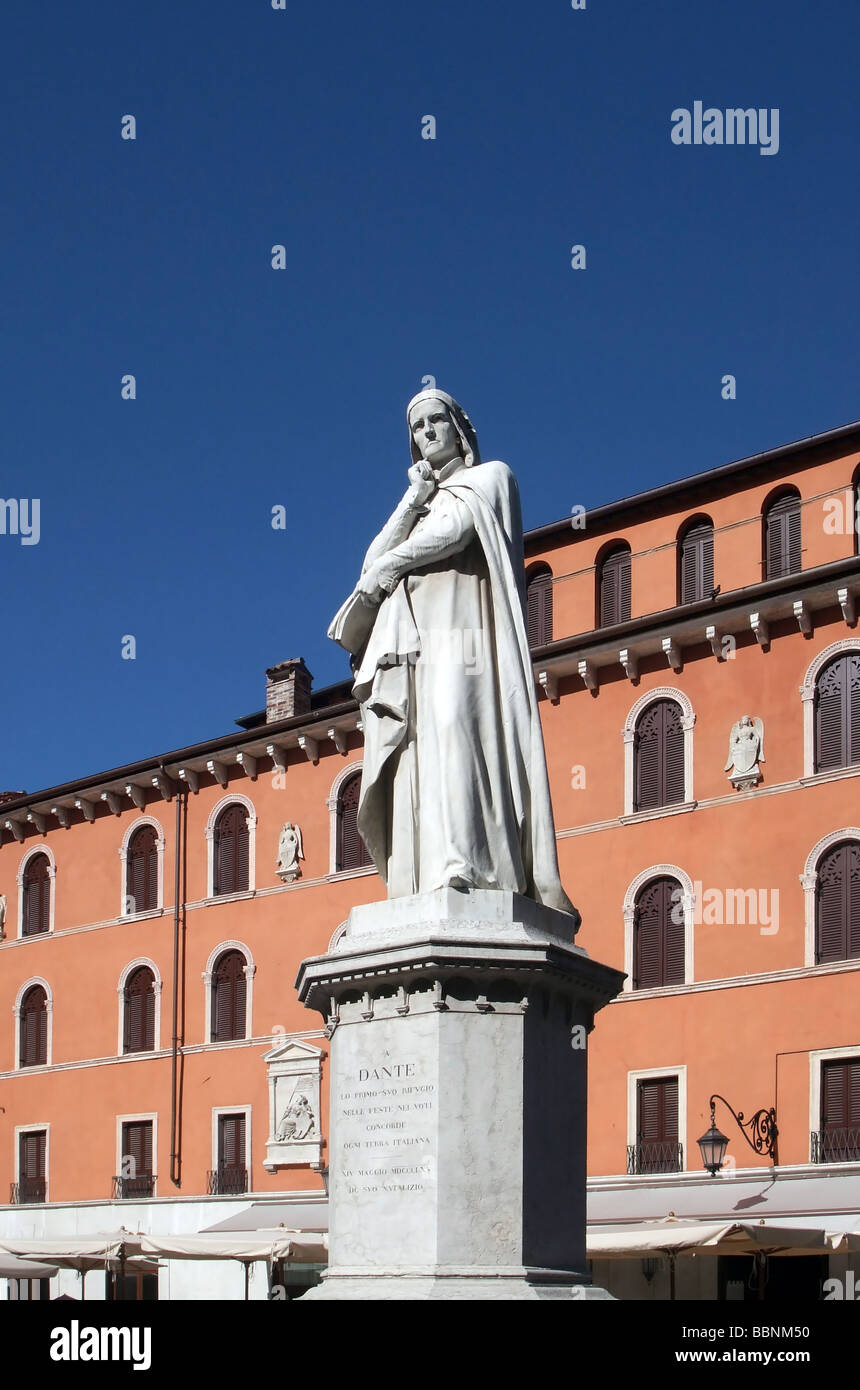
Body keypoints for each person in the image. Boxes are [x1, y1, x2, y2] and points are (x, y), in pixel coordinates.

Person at [328, 389, 575, 916]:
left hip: (466, 640)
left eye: (437, 420)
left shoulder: (490, 479)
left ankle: (472, 864)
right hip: (418, 646)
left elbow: (454, 531)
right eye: (418, 427)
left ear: (460, 427)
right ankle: (428, 870)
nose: (428, 432)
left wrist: (391, 566)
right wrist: (410, 500)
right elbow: (371, 558)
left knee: (457, 726)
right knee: (421, 745)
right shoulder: (422, 504)